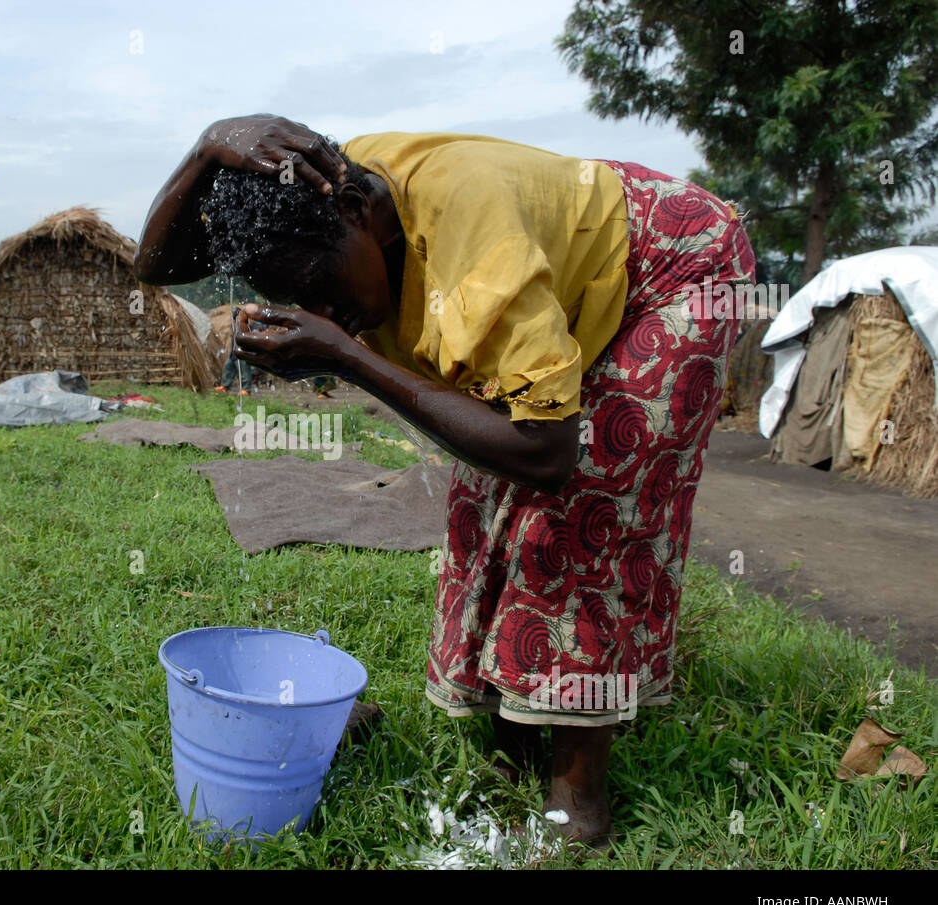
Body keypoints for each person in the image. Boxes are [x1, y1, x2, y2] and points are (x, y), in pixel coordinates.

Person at [136, 115, 754, 844]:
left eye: (320, 289)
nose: (319, 313)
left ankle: (578, 792)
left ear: (360, 215)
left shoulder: (479, 256)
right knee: (480, 491)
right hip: (570, 261)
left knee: (589, 498)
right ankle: (516, 719)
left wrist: (350, 358)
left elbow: (546, 453)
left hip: (676, 267)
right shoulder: (317, 190)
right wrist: (209, 147)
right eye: (297, 301)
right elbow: (158, 265)